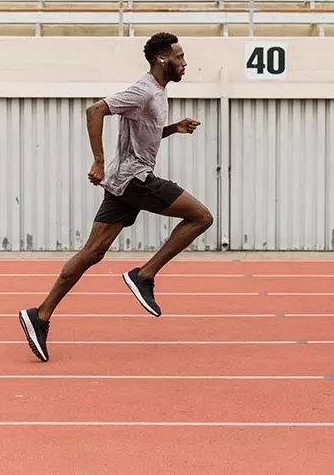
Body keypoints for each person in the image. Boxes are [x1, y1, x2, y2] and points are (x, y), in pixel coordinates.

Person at [17, 32, 214, 362]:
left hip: (123, 184)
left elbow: (144, 131)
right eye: (179, 57)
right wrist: (98, 160)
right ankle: (144, 275)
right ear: (162, 59)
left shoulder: (157, 93)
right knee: (201, 217)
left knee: (92, 252)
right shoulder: (143, 90)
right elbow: (95, 111)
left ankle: (41, 315)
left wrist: (174, 128)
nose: (184, 63)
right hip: (135, 179)